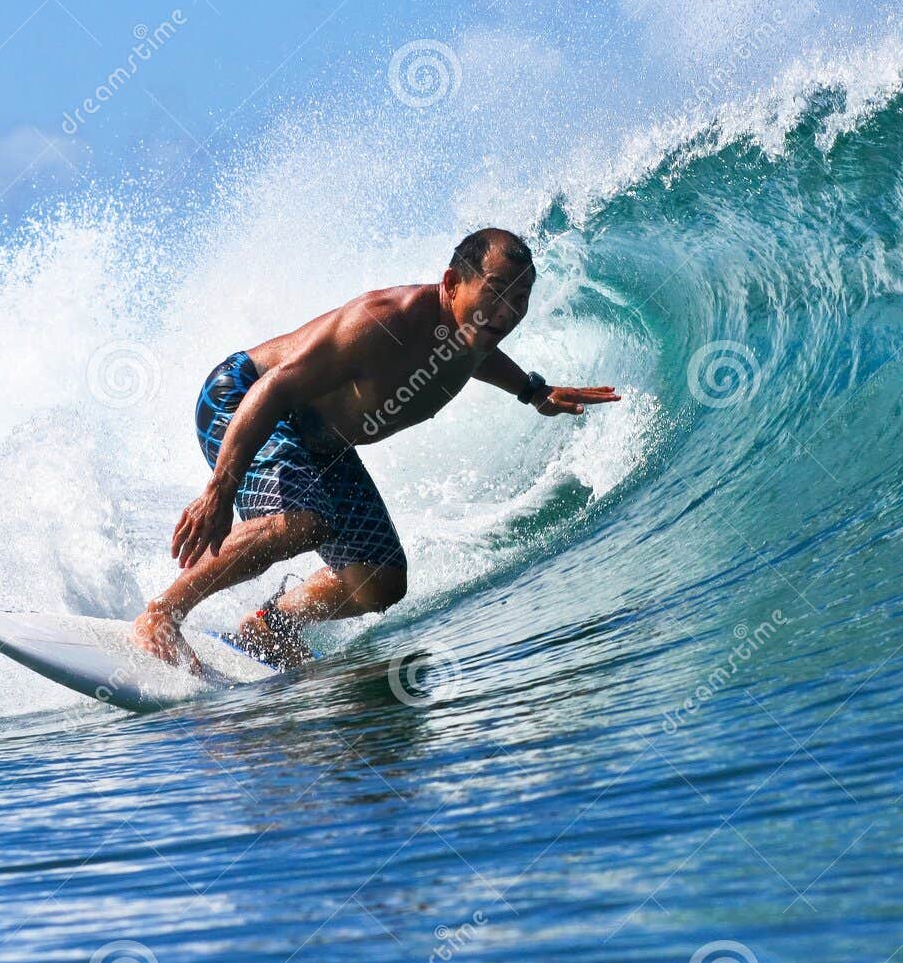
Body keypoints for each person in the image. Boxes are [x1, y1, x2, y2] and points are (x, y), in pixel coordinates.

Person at [131, 228, 620, 670]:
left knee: (381, 581)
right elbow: (277, 387)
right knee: (304, 521)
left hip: (322, 441)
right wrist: (220, 488)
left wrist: (534, 392)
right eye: (495, 291)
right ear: (452, 283)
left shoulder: (473, 330)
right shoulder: (382, 321)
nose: (507, 311)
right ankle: (161, 614)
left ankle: (269, 624)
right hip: (244, 398)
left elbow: (478, 356)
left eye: (520, 298)